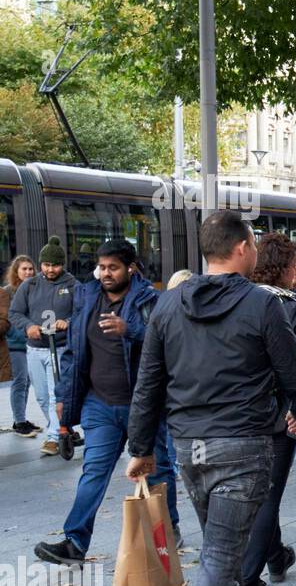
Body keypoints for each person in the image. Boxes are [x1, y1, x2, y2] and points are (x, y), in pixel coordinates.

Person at [126, 210, 296, 586]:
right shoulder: (260, 305)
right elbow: (295, 369)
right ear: (241, 248)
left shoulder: (168, 305)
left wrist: (141, 448)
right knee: (218, 558)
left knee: (219, 550)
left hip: (189, 447)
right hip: (242, 447)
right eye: (252, 243)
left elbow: (149, 383)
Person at [30, 240, 180, 565]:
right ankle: (74, 543)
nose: (106, 273)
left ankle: (169, 531)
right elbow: (73, 351)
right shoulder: (86, 298)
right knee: (94, 472)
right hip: (99, 404)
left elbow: (166, 342)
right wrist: (63, 399)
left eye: (113, 267)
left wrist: (130, 330)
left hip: (142, 407)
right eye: (102, 267)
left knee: (157, 471)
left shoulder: (149, 301)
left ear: (131, 268)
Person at [242, 233, 296, 586]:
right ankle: (250, 577)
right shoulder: (290, 307)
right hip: (278, 412)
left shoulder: (242, 301)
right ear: (285, 269)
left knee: (259, 491)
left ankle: (274, 555)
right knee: (267, 494)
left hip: (240, 412)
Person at [9, 237, 77, 455]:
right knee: (41, 395)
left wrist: (68, 322)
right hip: (35, 348)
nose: (50, 269)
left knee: (55, 394)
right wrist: (28, 326)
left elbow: (84, 313)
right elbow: (15, 313)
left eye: (54, 265)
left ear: (62, 264)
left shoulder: (73, 285)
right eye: (46, 265)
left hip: (61, 349)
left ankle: (54, 437)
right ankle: (63, 427)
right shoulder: (30, 285)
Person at [2, 255, 37, 435]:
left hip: (30, 344)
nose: (28, 272)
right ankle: (19, 421)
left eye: (31, 269)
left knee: (26, 382)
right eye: (24, 269)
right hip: (14, 344)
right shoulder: (7, 292)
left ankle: (20, 419)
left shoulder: (35, 289)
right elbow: (7, 320)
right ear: (16, 271)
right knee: (20, 381)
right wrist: (23, 333)